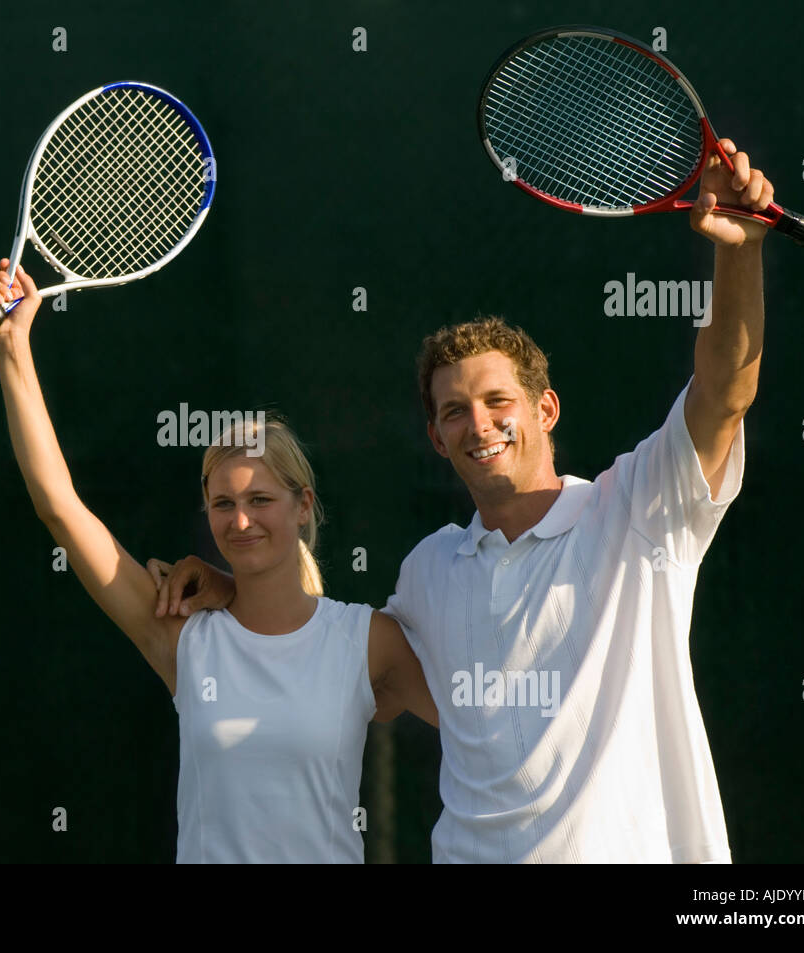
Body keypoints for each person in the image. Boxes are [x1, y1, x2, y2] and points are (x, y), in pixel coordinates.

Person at [152, 139, 772, 863]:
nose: (478, 423)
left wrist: (739, 253)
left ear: (546, 409)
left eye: (497, 400)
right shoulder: (431, 569)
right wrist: (236, 587)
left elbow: (725, 390)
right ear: (437, 438)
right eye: (454, 411)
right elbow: (335, 662)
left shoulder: (639, 507)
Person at [0, 259, 436, 863]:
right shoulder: (181, 635)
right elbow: (59, 507)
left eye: (260, 500)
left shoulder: (367, 639)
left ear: (302, 506)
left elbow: (480, 729)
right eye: (223, 503)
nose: (241, 520)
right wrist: (14, 347)